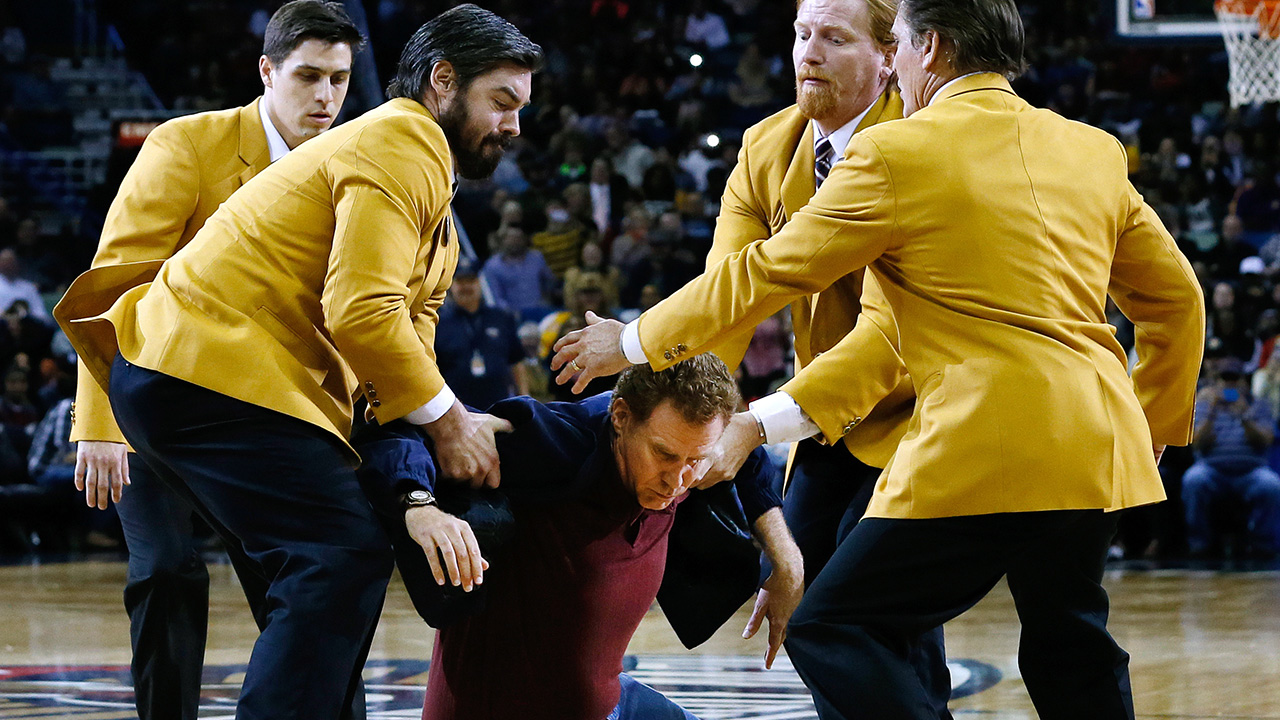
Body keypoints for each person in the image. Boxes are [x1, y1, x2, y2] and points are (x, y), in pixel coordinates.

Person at [552, 0, 1205, 717]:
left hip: (976, 440)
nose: (891, 60)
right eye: (803, 34)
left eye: (887, 42)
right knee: (1071, 646)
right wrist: (1151, 430)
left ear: (929, 47)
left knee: (835, 625)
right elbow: (1176, 300)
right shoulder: (1092, 148)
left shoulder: (898, 150)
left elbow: (768, 275)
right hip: (1098, 446)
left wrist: (636, 340)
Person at [55, 5, 542, 719]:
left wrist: (416, 490)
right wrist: (450, 425)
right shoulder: (402, 138)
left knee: (329, 563)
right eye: (502, 101)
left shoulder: (428, 196)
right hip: (199, 372)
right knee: (326, 556)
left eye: (521, 108)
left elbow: (393, 365)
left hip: (222, 386)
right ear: (444, 81)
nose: (514, 126)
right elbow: (362, 314)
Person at [61, 3, 363, 718]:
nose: (326, 97)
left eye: (341, 80)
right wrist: (98, 421)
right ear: (267, 72)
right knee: (166, 568)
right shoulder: (187, 145)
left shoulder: (351, 163)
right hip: (158, 402)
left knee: (308, 573)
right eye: (309, 77)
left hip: (267, 416)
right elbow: (114, 279)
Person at [691, 0, 953, 711]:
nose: (809, 53)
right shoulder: (766, 146)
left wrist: (757, 423)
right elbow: (728, 297)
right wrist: (696, 413)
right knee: (818, 613)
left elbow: (891, 338)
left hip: (923, 411)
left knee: (848, 613)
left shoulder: (924, 144)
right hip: (827, 418)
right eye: (803, 34)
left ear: (888, 56)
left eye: (835, 39)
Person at [357, 355, 803, 720]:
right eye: (664, 455)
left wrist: (785, 558)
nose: (677, 481)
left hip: (611, 705)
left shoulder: (691, 452)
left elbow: (745, 455)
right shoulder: (558, 444)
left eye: (696, 460)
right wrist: (419, 505)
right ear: (621, 417)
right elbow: (395, 430)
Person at [1184, 357, 1280, 557]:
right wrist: (1212, 411)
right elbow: (1197, 443)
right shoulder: (1203, 404)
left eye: (1234, 378)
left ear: (1243, 380)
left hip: (1251, 472)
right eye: (1224, 378)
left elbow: (1265, 441)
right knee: (1193, 480)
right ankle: (1199, 545)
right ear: (1216, 380)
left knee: (1270, 485)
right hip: (1212, 471)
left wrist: (1244, 415)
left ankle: (1263, 546)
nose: (1229, 383)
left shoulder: (1257, 404)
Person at [434, 256, 529, 410]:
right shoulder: (438, 322)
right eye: (460, 281)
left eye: (470, 281)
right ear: (451, 285)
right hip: (457, 412)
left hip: (500, 407)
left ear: (479, 282)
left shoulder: (501, 317)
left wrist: (525, 397)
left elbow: (516, 362)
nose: (466, 287)